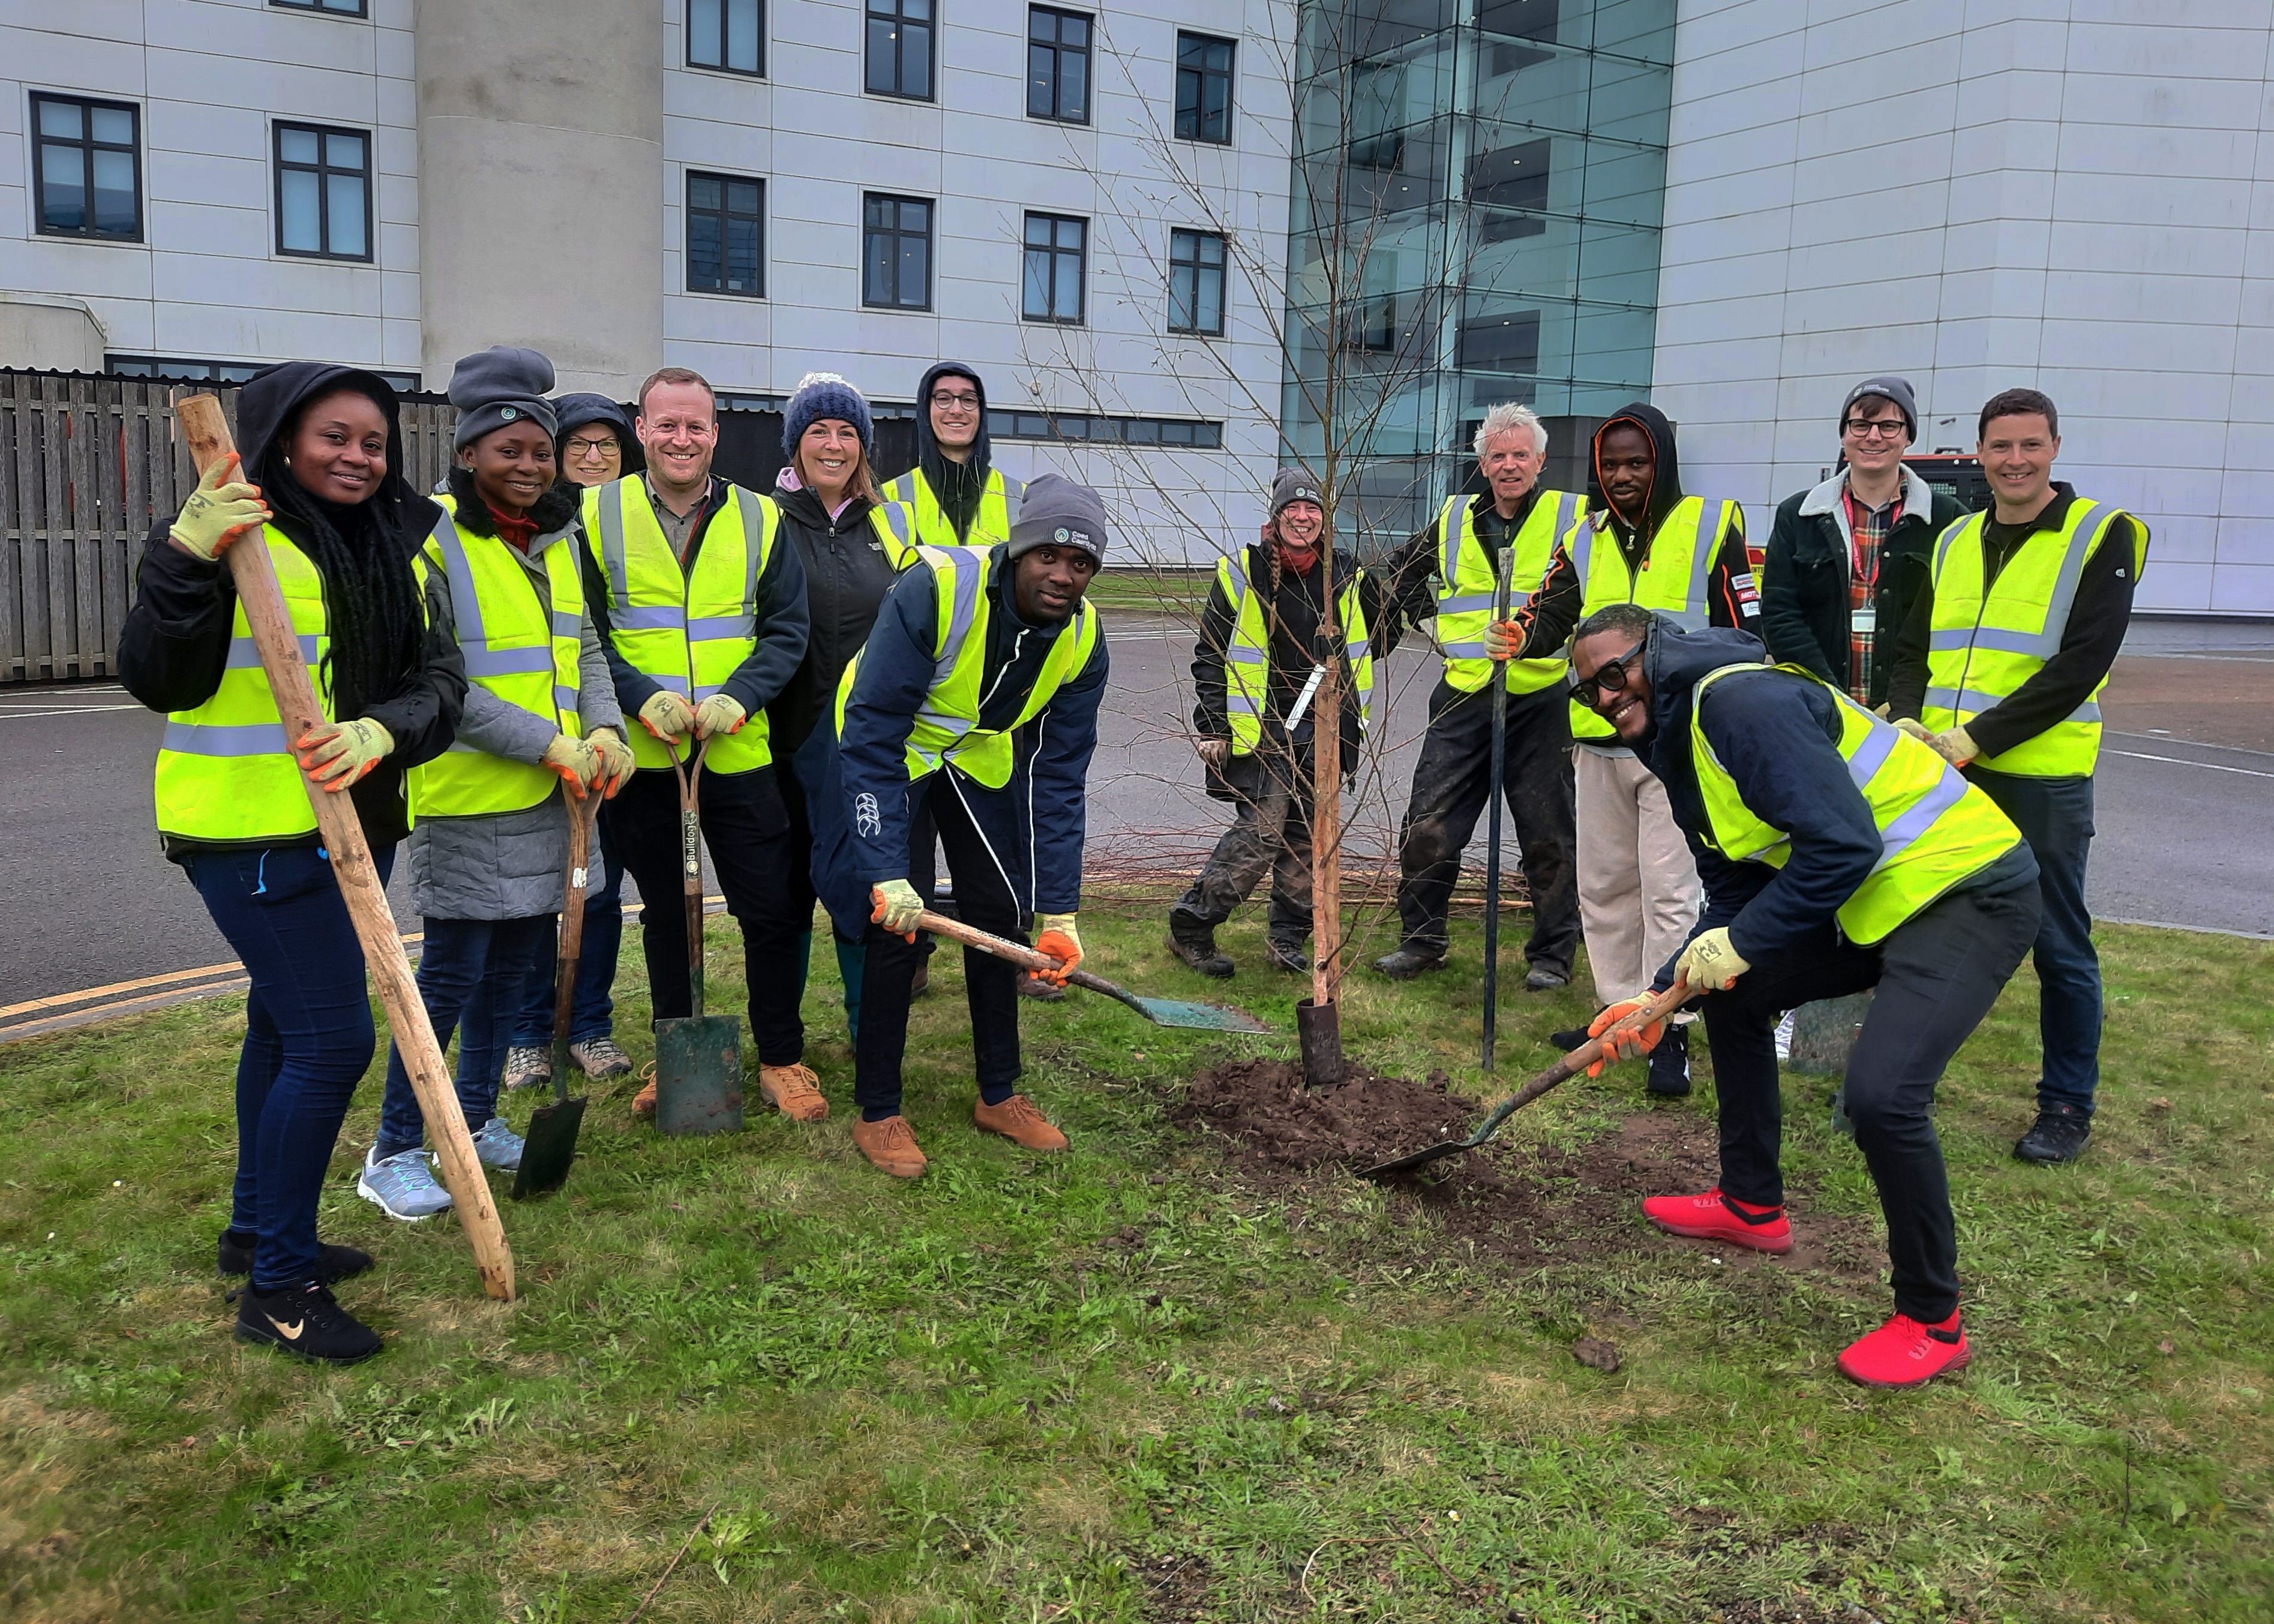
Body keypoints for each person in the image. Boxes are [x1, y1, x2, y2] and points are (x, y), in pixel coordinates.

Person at [1570, 604, 2041, 1389]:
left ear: (1658, 647)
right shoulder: (1675, 742)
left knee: (1883, 1097)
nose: (1607, 696)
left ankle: (1933, 1319)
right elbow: (1731, 887)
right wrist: (1658, 997)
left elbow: (1843, 843)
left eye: (1614, 672)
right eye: (1590, 691)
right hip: (1874, 901)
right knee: (1732, 994)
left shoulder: (1738, 703)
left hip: (1967, 887)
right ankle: (1751, 1204)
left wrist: (1743, 943)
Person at [118, 362, 466, 1364]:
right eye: (334, 438)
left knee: (278, 1026)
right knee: (329, 1041)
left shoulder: (396, 546)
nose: (358, 457)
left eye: (375, 442)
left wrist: (381, 730)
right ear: (280, 440)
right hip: (248, 833)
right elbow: (156, 674)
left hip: (350, 824)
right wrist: (185, 557)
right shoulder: (229, 537)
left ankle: (251, 1230)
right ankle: (280, 1288)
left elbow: (440, 679)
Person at [356, 349, 634, 1221]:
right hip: (466, 797)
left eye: (540, 450)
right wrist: (552, 741)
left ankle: (471, 1121)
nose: (527, 465)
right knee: (449, 983)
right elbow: (440, 680)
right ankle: (395, 1148)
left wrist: (605, 729)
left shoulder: (556, 535)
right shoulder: (429, 537)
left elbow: (582, 645)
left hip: (553, 797)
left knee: (513, 978)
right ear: (468, 453)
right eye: (507, 449)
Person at [809, 475, 1110, 1178]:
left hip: (975, 754)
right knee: (896, 923)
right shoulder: (937, 588)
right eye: (1049, 557)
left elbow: (1059, 778)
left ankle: (999, 1092)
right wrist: (887, 869)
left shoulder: (1084, 639)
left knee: (1001, 914)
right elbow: (875, 730)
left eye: (1081, 565)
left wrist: (1060, 912)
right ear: (1019, 549)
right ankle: (879, 1108)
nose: (1063, 576)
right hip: (884, 749)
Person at [1888, 388, 2148, 1165]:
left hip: (2039, 776)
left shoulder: (2101, 533)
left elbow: (2080, 664)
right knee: (1925, 931)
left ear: (2055, 448)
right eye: (1999, 447)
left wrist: (1975, 738)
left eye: (2029, 445)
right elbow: (1910, 647)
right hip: (1945, 770)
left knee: (2058, 944)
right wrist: (1905, 719)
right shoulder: (1953, 539)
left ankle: (2065, 1103)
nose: (2013, 460)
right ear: (1979, 452)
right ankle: (1899, 1077)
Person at [1499, 404, 1759, 1094]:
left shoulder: (1710, 523)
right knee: (1606, 887)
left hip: (1678, 742)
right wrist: (1523, 635)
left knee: (1670, 893)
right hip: (1598, 739)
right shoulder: (1581, 533)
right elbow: (1552, 608)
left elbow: (1743, 627)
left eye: (1635, 463)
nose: (1621, 475)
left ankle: (1668, 1026)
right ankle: (1618, 1012)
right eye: (1609, 464)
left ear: (1661, 463)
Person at [576, 367, 812, 1119]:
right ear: (639, 430)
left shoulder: (761, 517)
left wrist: (738, 697)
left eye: (696, 426)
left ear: (715, 433)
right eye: (666, 425)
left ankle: (781, 1056)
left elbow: (786, 631)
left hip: (735, 753)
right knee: (668, 911)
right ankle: (676, 1054)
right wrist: (641, 698)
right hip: (647, 763)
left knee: (771, 907)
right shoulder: (592, 513)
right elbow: (585, 632)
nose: (682, 439)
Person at [1369, 403, 1585, 988]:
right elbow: (1404, 570)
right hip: (1464, 697)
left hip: (1539, 699)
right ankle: (1422, 942)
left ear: (1540, 459)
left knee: (1548, 835)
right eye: (1498, 455)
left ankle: (1552, 957)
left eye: (1520, 454)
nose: (1509, 464)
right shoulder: (1454, 518)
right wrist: (1429, 624)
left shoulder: (1576, 517)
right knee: (1429, 828)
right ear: (1482, 463)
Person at [766, 371, 921, 1095]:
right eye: (819, 430)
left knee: (865, 886)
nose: (833, 444)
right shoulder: (762, 520)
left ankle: (870, 1029)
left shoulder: (891, 526)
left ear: (863, 446)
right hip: (775, 738)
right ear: (796, 442)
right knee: (786, 890)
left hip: (862, 750)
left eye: (847, 432)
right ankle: (784, 1045)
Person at [1170, 469, 1387, 977]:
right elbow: (1211, 653)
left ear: (1325, 518)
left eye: (1313, 508)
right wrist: (1212, 725)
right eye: (1294, 507)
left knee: (1308, 836)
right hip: (1263, 724)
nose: (1303, 516)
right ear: (1277, 514)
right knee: (1264, 832)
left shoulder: (1347, 576)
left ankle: (1288, 937)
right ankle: (1193, 924)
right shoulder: (1243, 573)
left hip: (1327, 724)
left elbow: (1375, 638)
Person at [503, 392, 647, 1092]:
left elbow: (608, 641)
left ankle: (588, 1024)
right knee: (537, 895)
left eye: (608, 446)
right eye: (579, 445)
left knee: (598, 889)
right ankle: (527, 1033)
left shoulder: (633, 526)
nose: (593, 458)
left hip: (609, 741)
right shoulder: (533, 528)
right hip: (535, 743)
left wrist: (609, 724)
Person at [1760, 377, 1965, 709]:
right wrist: (1826, 694)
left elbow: (1955, 620)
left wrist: (1905, 703)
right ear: (1844, 435)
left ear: (1908, 436)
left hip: (1912, 714)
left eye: (1888, 426)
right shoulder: (1798, 515)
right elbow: (1780, 614)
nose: (1873, 436)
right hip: (1817, 707)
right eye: (1860, 425)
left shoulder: (1948, 520)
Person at [883, 362, 1025, 546]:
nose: (957, 410)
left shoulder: (1023, 499)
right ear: (926, 411)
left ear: (981, 413)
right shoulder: (888, 497)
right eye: (943, 399)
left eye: (969, 400)